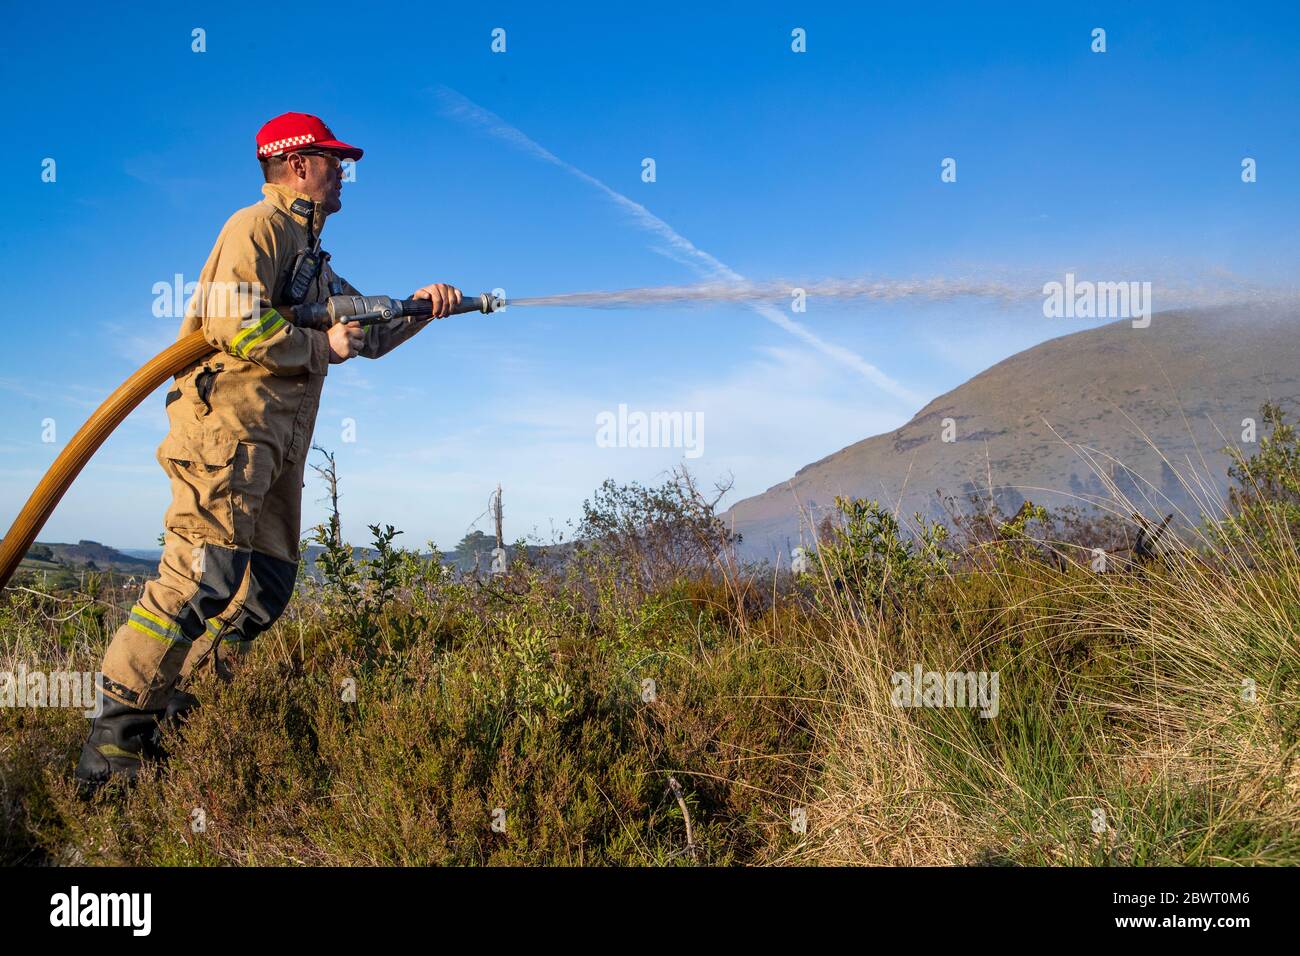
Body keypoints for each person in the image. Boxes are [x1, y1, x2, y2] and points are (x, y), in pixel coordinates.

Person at [76, 111, 462, 790]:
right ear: (295, 164)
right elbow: (234, 323)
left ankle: (179, 713)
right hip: (226, 434)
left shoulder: (313, 260)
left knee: (267, 588)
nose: (343, 170)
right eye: (332, 159)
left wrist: (424, 311)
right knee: (200, 579)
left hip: (276, 446)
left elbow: (361, 334)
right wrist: (318, 346)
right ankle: (112, 754)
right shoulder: (255, 228)